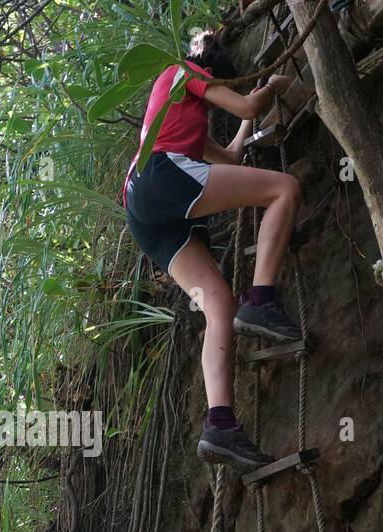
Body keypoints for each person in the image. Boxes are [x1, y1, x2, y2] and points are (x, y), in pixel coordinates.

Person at [121, 29, 311, 468]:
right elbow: (247, 105)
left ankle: (220, 423)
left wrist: (247, 123)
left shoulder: (177, 115)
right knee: (284, 189)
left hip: (142, 205)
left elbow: (228, 158)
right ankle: (263, 299)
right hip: (160, 174)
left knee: (218, 303)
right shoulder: (182, 70)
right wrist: (276, 84)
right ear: (211, 73)